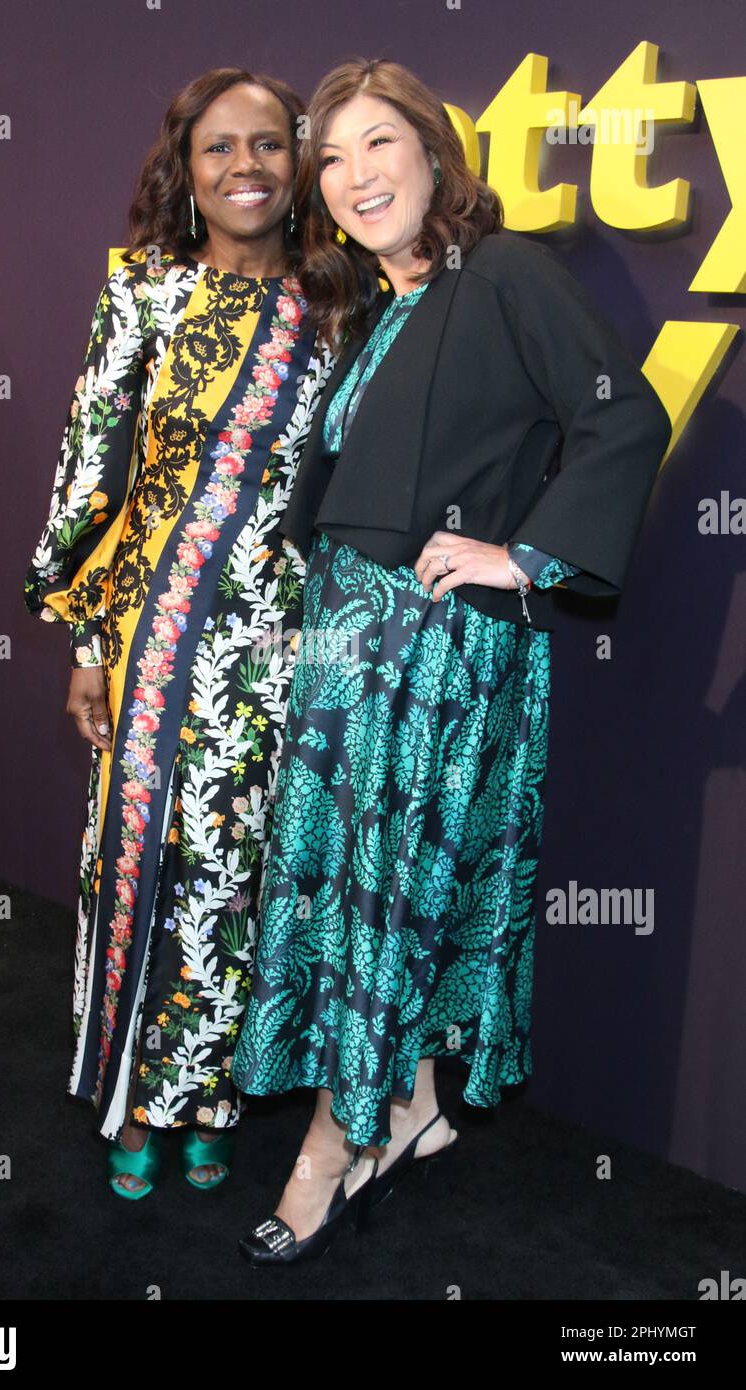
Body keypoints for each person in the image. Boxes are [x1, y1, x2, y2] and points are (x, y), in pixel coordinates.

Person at [231, 57, 672, 1264]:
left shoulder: (507, 270)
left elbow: (620, 413)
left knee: (386, 904)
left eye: (379, 144)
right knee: (364, 900)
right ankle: (411, 1100)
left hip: (428, 653)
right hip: (348, 644)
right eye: (330, 157)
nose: (354, 176)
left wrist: (520, 557)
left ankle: (330, 1147)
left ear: (433, 151)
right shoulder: (382, 301)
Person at [23, 68, 333, 1197]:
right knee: (140, 856)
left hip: (284, 643)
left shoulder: (335, 302)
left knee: (238, 870)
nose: (244, 166)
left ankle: (204, 1093)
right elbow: (89, 470)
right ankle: (128, 1089)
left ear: (298, 166)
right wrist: (87, 642)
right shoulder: (145, 290)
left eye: (267, 144)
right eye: (218, 148)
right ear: (184, 171)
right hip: (155, 636)